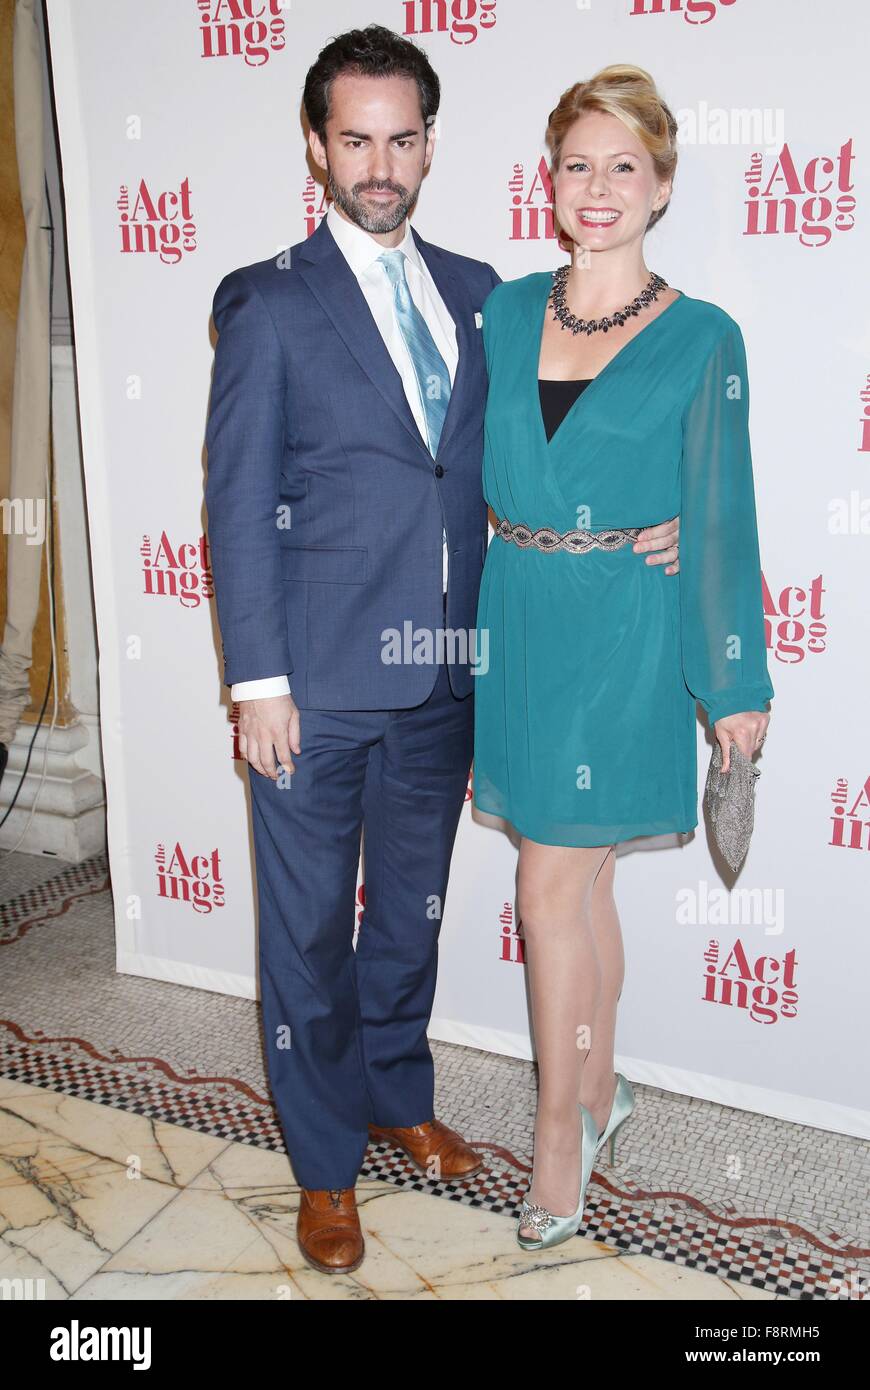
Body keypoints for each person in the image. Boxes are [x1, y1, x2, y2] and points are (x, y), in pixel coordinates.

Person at [205, 29, 680, 1275]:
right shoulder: (267, 301)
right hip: (306, 686)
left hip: (445, 670)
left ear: (429, 144)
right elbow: (237, 504)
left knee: (408, 915)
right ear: (317, 145)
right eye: (354, 137)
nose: (380, 162)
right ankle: (323, 1167)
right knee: (307, 931)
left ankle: (397, 1095)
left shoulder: (487, 295)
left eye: (402, 136)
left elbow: (563, 439)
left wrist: (662, 517)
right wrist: (256, 682)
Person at [472, 64, 774, 1250]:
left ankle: (560, 1135)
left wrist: (734, 686)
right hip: (520, 617)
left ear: (660, 187)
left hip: (625, 637)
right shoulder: (500, 312)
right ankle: (601, 1086)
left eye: (623, 168)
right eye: (576, 164)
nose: (597, 189)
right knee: (582, 887)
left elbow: (724, 511)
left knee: (547, 887)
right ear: (549, 178)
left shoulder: (704, 337)